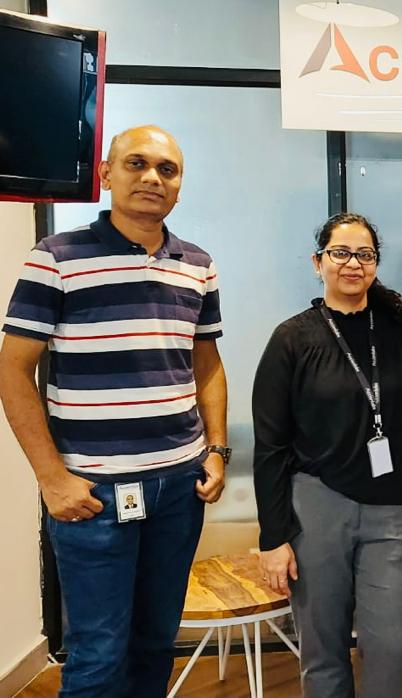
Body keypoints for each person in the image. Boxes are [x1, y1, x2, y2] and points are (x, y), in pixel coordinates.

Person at [0, 125, 227, 698]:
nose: (152, 178)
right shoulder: (57, 257)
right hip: (93, 494)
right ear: (105, 173)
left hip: (179, 489)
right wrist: (52, 478)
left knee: (155, 643)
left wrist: (217, 450)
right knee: (98, 656)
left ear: (180, 185)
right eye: (136, 163)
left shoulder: (197, 264)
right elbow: (12, 370)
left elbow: (207, 365)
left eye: (167, 169)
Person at [252, 213, 402, 698]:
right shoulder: (292, 339)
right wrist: (273, 537)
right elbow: (270, 445)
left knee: (392, 644)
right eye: (340, 253)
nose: (353, 264)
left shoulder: (399, 328)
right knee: (323, 648)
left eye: (364, 255)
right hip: (316, 507)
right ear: (318, 262)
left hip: (392, 506)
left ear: (376, 263)